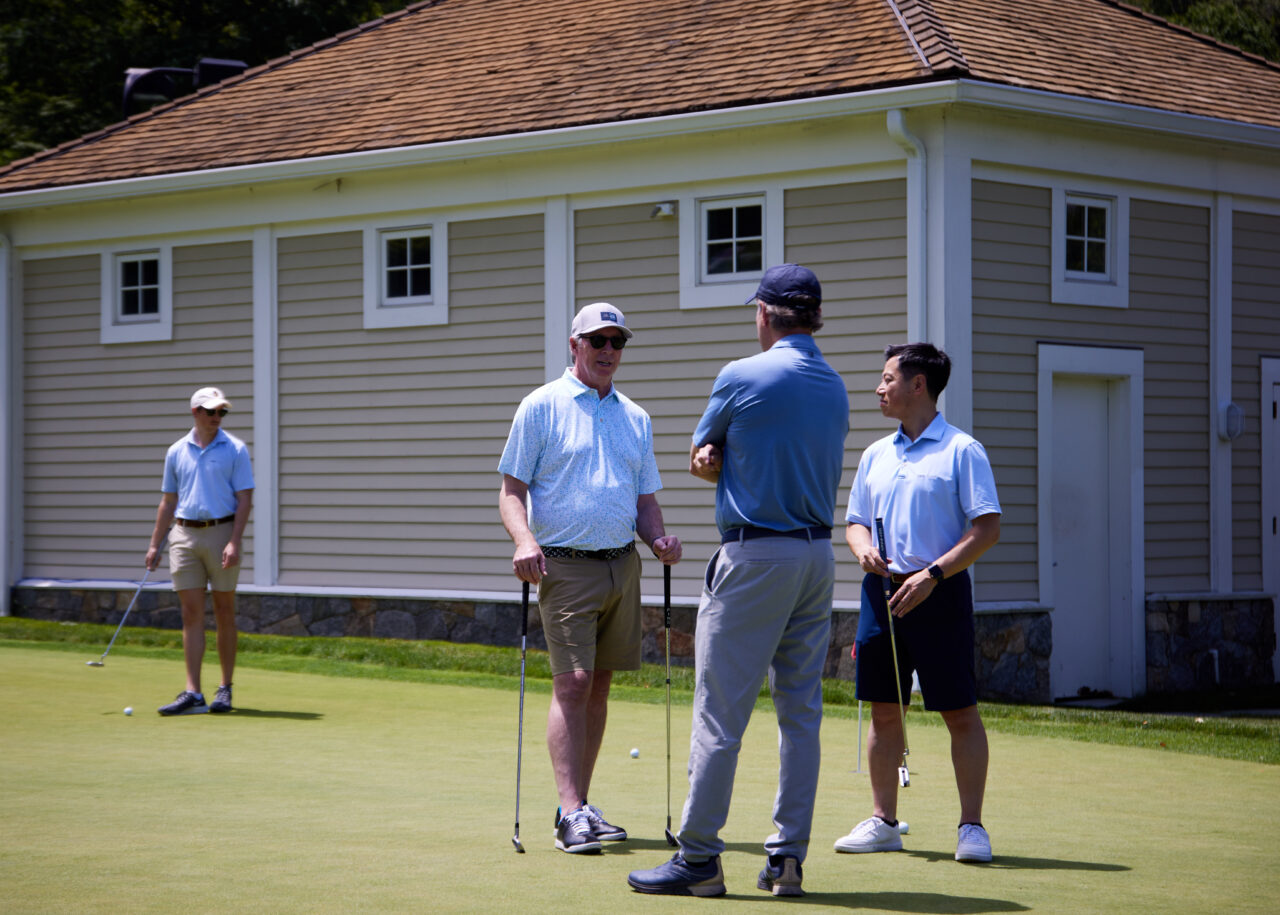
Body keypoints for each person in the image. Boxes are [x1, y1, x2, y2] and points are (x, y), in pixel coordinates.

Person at [627, 264, 849, 897]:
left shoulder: (742, 375)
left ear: (765, 314)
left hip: (754, 560)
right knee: (800, 715)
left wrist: (712, 467)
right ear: (812, 317)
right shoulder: (835, 385)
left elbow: (705, 457)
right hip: (815, 559)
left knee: (720, 713)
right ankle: (787, 861)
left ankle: (698, 859)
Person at [498, 302, 683, 855]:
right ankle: (572, 812)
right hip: (563, 564)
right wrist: (524, 541)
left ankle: (576, 807)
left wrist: (659, 539)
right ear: (574, 345)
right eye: (597, 341)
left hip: (622, 565)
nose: (608, 351)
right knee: (573, 682)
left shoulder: (635, 417)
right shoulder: (541, 406)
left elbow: (644, 499)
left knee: (600, 684)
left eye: (617, 342)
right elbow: (511, 491)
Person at [833, 342, 1001, 863]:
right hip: (880, 592)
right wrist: (863, 550)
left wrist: (933, 573)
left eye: (888, 379)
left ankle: (971, 827)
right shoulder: (874, 454)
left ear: (918, 385)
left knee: (959, 712)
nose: (879, 388)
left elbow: (987, 528)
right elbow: (856, 519)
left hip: (939, 591)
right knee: (885, 711)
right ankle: (884, 820)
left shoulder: (961, 450)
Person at [146, 386, 254, 716]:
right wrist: (155, 544)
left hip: (222, 532)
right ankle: (193, 693)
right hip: (183, 535)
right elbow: (168, 501)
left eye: (222, 412)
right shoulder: (176, 451)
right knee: (191, 614)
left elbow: (244, 498)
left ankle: (225, 689)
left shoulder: (235, 449)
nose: (217, 418)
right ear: (195, 412)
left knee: (224, 611)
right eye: (211, 412)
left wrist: (234, 540)